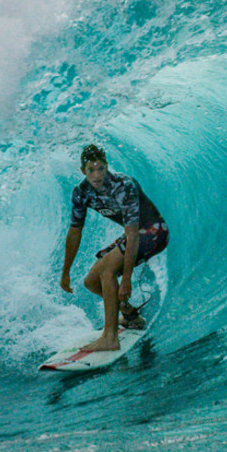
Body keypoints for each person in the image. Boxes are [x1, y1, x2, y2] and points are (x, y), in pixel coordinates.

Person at [60, 144, 169, 352]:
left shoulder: (123, 185)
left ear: (106, 166)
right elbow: (75, 231)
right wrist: (66, 271)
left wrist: (126, 278)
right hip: (133, 235)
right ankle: (129, 315)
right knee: (91, 281)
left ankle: (110, 338)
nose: (97, 175)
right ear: (83, 171)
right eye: (91, 170)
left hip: (154, 232)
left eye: (100, 168)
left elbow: (132, 235)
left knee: (107, 269)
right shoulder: (81, 193)